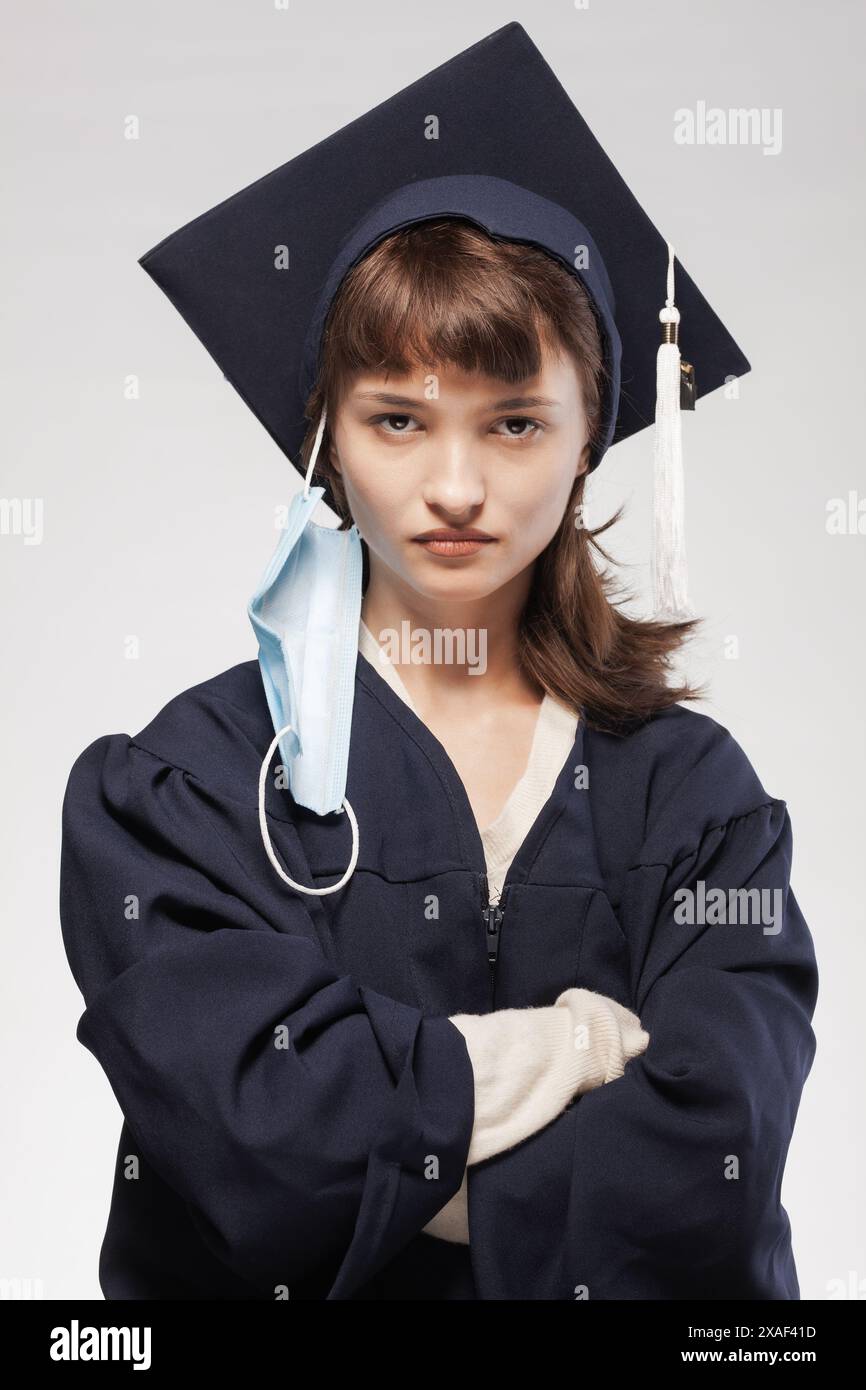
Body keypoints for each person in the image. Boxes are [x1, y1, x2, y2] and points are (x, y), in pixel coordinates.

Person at [59, 22, 818, 1301]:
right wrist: (569, 1045)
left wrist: (383, 1147)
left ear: (587, 442)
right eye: (396, 419)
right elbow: (253, 1146)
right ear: (328, 439)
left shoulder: (694, 800)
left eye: (515, 421)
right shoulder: (189, 789)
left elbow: (713, 1160)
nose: (454, 488)